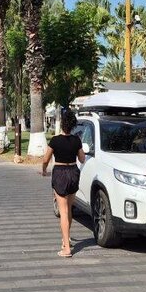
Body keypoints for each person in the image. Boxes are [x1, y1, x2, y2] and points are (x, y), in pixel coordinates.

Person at [40, 108, 86, 258]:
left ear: (61, 125)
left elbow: (46, 159)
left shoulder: (55, 140)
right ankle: (66, 240)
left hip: (60, 173)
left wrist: (44, 170)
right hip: (73, 173)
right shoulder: (76, 140)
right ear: (72, 125)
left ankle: (66, 249)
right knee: (69, 209)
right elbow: (82, 159)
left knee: (63, 212)